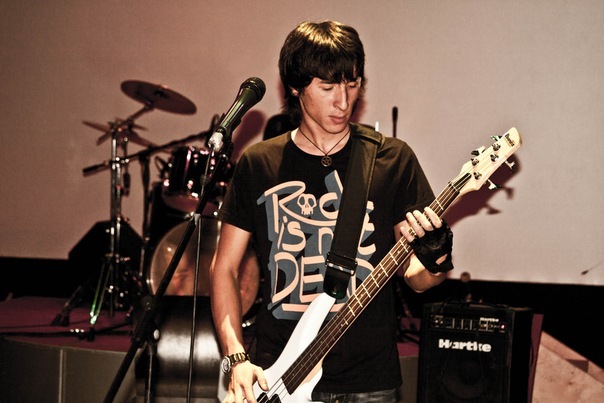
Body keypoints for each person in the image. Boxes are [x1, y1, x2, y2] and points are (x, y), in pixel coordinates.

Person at [210, 20, 453, 403]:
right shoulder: (259, 163)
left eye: (352, 84)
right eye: (327, 87)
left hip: (368, 382)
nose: (343, 101)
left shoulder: (391, 159)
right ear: (295, 86)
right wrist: (236, 357)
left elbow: (418, 280)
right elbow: (223, 268)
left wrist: (436, 261)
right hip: (275, 379)